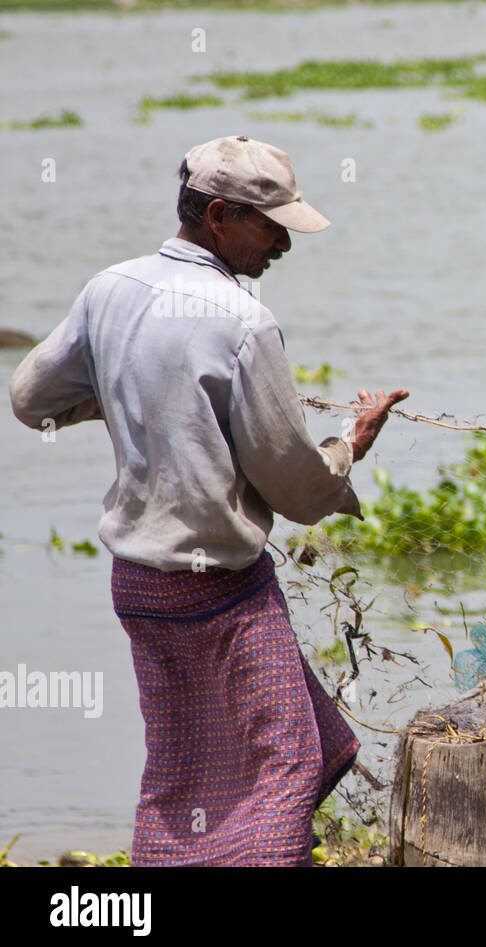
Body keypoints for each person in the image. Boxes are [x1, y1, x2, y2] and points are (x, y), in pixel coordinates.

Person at [8, 135, 409, 866]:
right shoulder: (243, 321)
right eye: (271, 223)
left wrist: (134, 397)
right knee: (285, 768)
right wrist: (351, 444)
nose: (285, 241)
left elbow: (31, 399)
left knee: (196, 772)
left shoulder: (111, 289)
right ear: (219, 216)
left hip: (139, 589)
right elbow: (293, 486)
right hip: (218, 595)